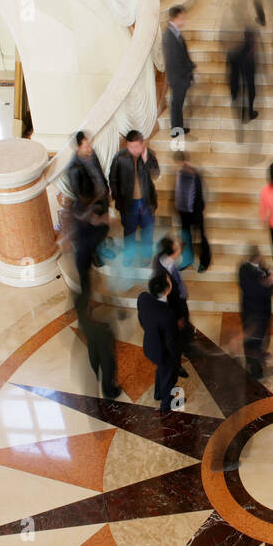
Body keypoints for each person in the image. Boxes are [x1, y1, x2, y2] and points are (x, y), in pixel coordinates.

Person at [63, 130, 112, 281]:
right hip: (92, 204)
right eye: (86, 146)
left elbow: (99, 173)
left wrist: (106, 190)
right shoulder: (73, 168)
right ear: (78, 148)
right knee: (96, 230)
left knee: (104, 228)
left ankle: (101, 247)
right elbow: (80, 194)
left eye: (90, 144)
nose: (90, 148)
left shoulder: (92, 154)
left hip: (102, 197)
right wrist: (92, 212)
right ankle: (96, 254)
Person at [109, 130, 159, 264]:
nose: (133, 150)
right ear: (127, 145)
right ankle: (129, 255)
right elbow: (113, 179)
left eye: (137, 146)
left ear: (142, 144)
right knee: (129, 231)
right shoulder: (119, 158)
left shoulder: (150, 155)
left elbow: (156, 173)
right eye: (130, 147)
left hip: (146, 201)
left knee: (147, 231)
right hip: (128, 203)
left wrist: (146, 160)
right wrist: (117, 198)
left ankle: (146, 256)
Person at [137, 271, 179, 412]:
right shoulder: (167, 316)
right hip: (162, 352)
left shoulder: (143, 298)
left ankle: (158, 394)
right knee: (168, 377)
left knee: (161, 369)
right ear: (167, 290)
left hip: (149, 346)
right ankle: (166, 404)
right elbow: (171, 343)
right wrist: (176, 360)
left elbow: (142, 320)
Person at [238, 246, 273, 378]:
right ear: (256, 257)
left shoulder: (257, 268)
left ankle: (258, 355)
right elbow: (256, 290)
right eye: (260, 255)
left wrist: (271, 278)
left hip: (262, 312)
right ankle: (255, 369)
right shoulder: (246, 271)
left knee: (260, 337)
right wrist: (269, 282)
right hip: (254, 314)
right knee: (253, 340)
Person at [152, 235, 192, 378]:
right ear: (171, 253)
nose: (179, 249)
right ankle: (176, 366)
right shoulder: (162, 276)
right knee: (175, 342)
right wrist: (178, 318)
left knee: (185, 332)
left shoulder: (163, 259)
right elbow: (166, 302)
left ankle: (187, 345)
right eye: (177, 248)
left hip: (181, 304)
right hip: (175, 312)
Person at [73, 282, 121, 400]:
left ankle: (95, 378)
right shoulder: (98, 308)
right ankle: (109, 391)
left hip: (91, 337)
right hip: (102, 339)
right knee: (108, 365)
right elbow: (120, 315)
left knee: (94, 358)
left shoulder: (79, 301)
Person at [173, 152, 210, 272]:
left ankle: (205, 261)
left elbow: (199, 196)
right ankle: (188, 259)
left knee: (201, 237)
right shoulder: (179, 173)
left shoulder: (194, 175)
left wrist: (198, 212)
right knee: (185, 238)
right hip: (183, 213)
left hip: (195, 212)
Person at [163, 5, 195, 137]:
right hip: (177, 78)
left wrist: (190, 66)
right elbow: (174, 61)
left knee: (178, 105)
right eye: (182, 18)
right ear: (175, 18)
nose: (184, 21)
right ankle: (175, 132)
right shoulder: (169, 36)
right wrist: (187, 71)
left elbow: (183, 53)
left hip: (181, 77)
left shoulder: (175, 32)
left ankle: (179, 128)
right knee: (176, 105)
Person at [226, 26, 259, 124]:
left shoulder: (238, 47)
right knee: (250, 90)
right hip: (246, 71)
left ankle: (242, 109)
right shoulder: (249, 46)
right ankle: (249, 112)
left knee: (241, 90)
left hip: (237, 74)